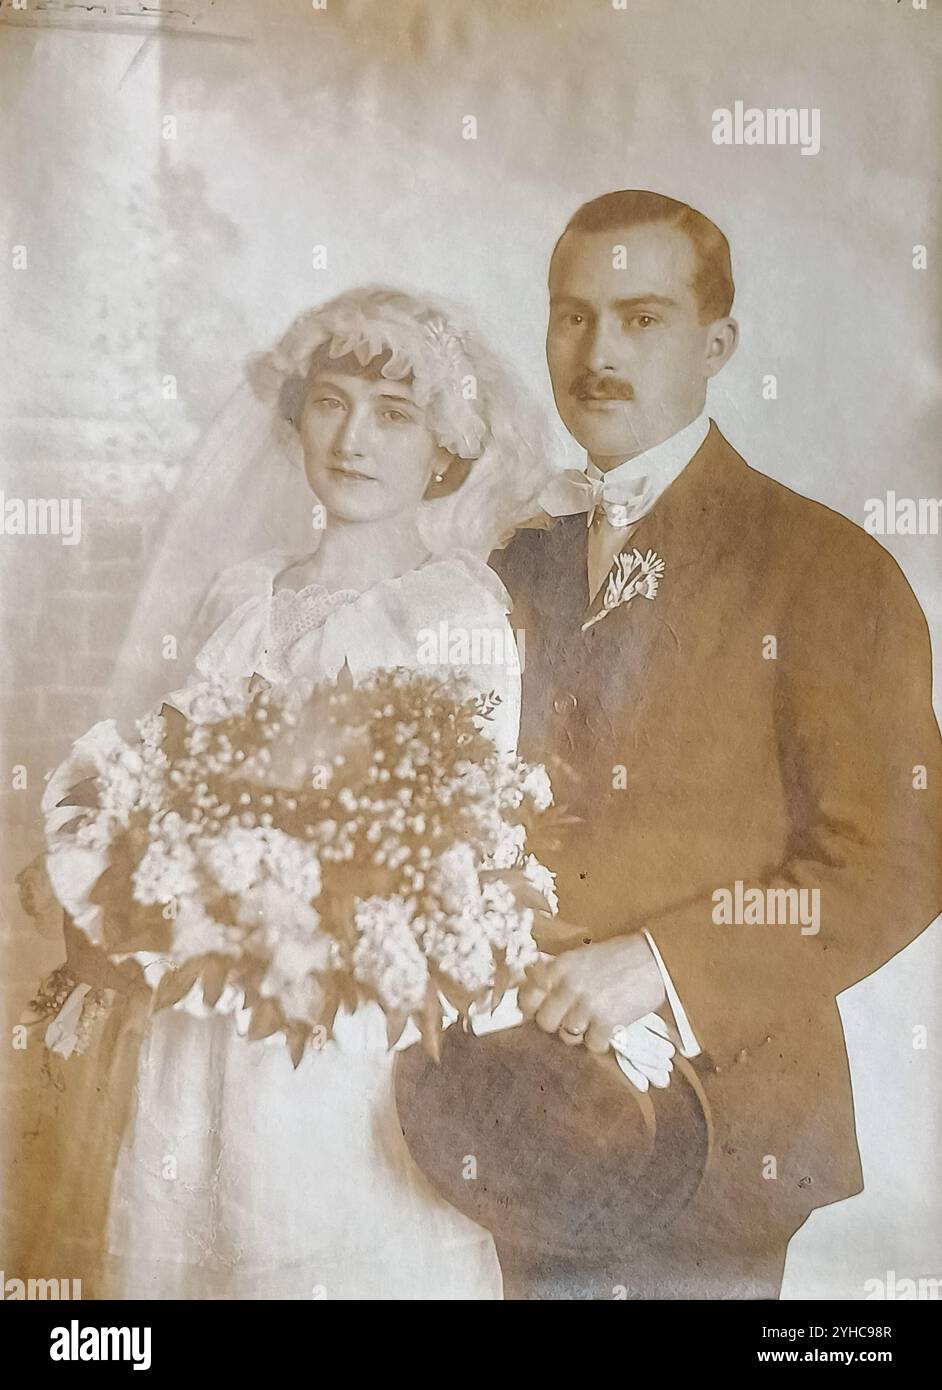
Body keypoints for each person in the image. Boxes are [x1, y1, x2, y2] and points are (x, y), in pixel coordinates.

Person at [26, 286, 554, 1299]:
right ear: (295, 415)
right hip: (203, 1013)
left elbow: (456, 835)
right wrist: (118, 859)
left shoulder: (453, 612)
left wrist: (289, 883)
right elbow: (168, 773)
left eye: (394, 416)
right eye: (331, 402)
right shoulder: (241, 593)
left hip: (345, 1032)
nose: (353, 438)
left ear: (443, 448)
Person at [492, 190, 942, 1298]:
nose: (597, 353)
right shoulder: (515, 558)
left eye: (642, 319)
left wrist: (659, 964)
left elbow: (897, 857)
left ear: (719, 343)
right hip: (507, 1113)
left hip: (715, 1143)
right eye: (571, 316)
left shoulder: (824, 567)